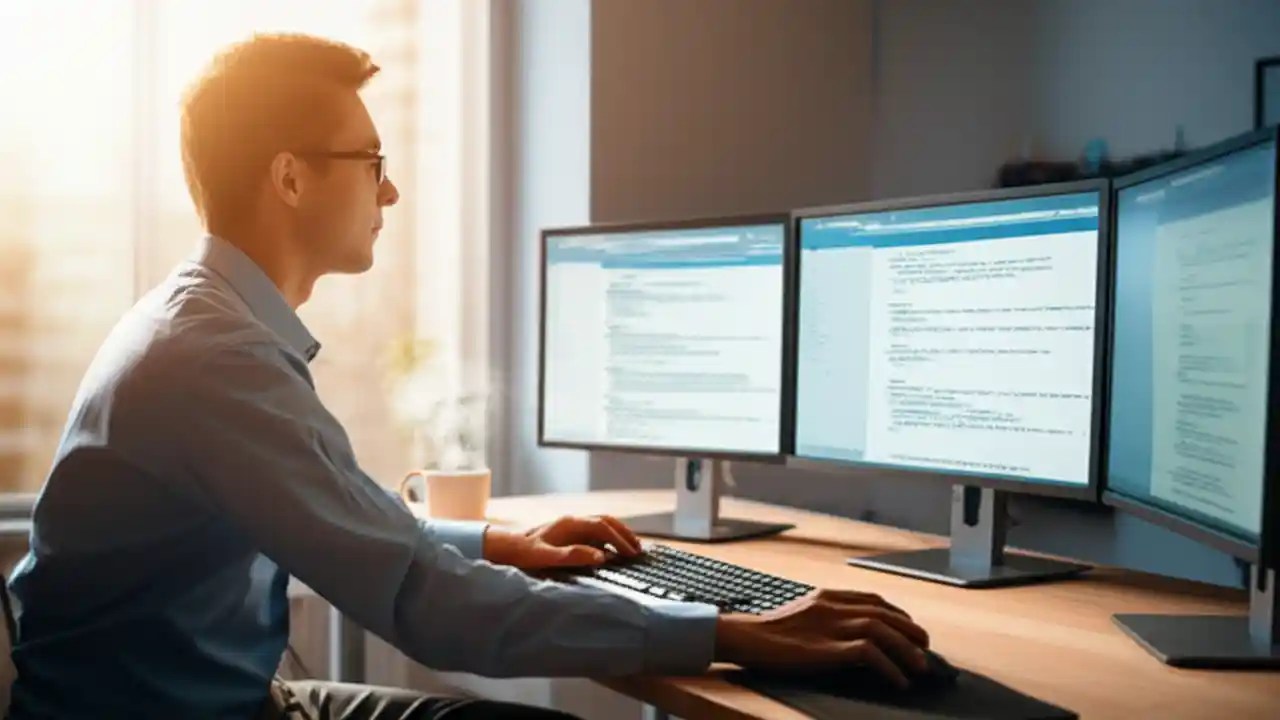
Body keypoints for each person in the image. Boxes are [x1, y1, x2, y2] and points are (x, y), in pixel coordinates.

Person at [5, 33, 933, 720]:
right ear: (288, 179)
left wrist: (495, 542)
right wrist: (727, 632)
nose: (391, 191)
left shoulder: (207, 322)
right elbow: (424, 606)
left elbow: (340, 520)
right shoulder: (217, 361)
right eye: (371, 163)